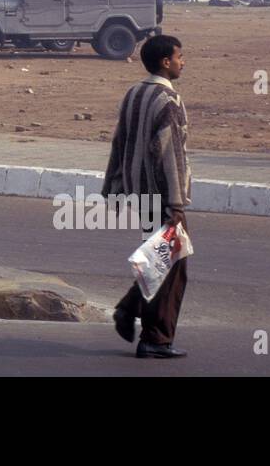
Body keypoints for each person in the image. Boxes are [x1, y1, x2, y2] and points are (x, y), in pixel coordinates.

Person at [102, 34, 191, 359]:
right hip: (163, 196)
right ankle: (155, 337)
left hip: (140, 193)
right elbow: (170, 155)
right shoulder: (168, 100)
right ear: (166, 62)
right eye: (180, 56)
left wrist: (112, 186)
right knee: (171, 266)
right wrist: (176, 204)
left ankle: (130, 309)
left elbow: (119, 143)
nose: (183, 62)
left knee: (161, 261)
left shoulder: (134, 93)